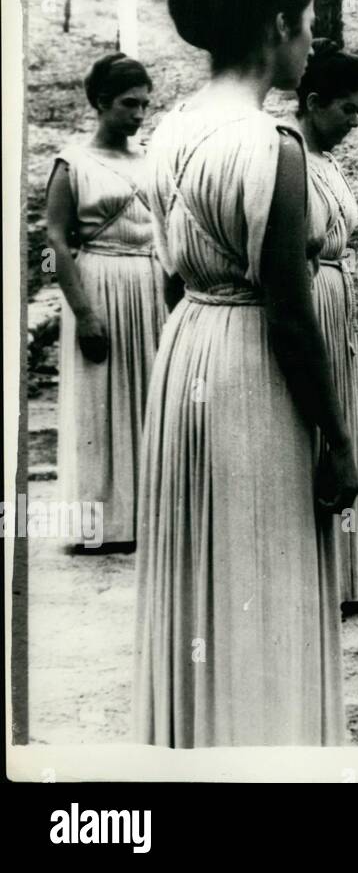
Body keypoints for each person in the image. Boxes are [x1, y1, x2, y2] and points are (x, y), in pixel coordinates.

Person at [134, 0, 358, 746]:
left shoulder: (172, 128)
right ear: (276, 25)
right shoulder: (272, 145)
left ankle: (201, 735)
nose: (310, 42)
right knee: (263, 556)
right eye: (307, 25)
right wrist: (335, 438)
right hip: (251, 366)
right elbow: (290, 316)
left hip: (189, 347)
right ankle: (268, 739)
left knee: (204, 556)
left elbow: (171, 270)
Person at [46, 55, 167, 550]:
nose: (139, 114)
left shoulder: (152, 160)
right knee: (100, 406)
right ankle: (100, 525)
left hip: (151, 284)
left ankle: (149, 519)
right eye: (128, 104)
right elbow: (53, 248)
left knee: (153, 401)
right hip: (99, 285)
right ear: (100, 103)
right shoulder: (71, 163)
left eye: (144, 104)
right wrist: (82, 311)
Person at [295, 40, 358, 615]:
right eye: (347, 109)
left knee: (340, 422)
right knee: (315, 432)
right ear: (314, 101)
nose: (354, 121)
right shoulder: (287, 156)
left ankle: (341, 576)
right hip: (308, 298)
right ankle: (310, 575)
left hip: (336, 296)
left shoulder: (327, 159)